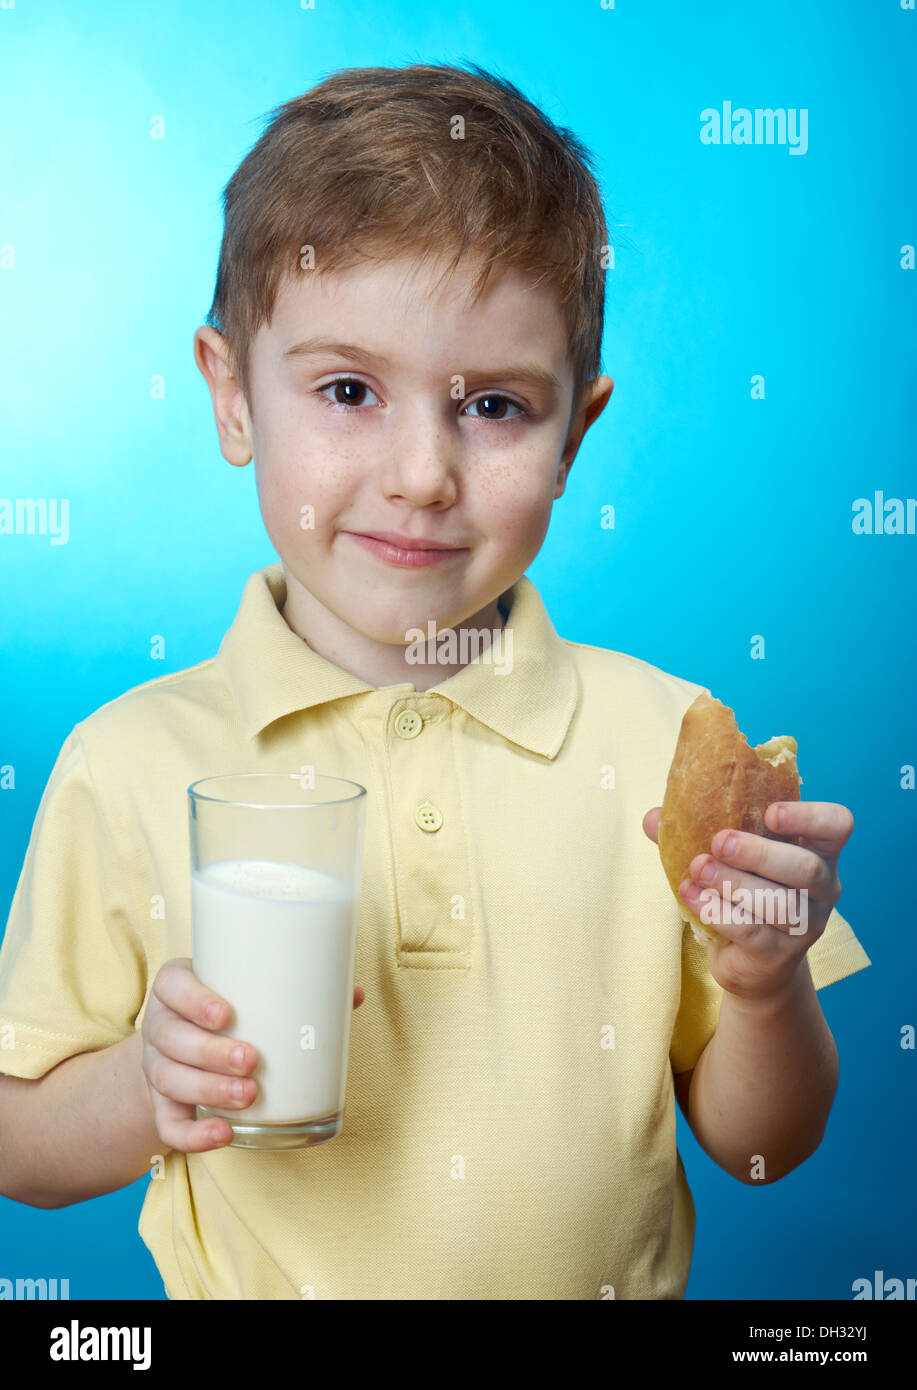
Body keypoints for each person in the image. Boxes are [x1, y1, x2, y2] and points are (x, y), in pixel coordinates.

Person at [0, 62, 870, 1299]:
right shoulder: (129, 759)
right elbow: (20, 1145)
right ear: (229, 392)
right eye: (348, 390)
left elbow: (766, 1149)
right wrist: (145, 1087)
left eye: (496, 408)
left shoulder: (664, 738)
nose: (420, 473)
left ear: (574, 433)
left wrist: (762, 981)